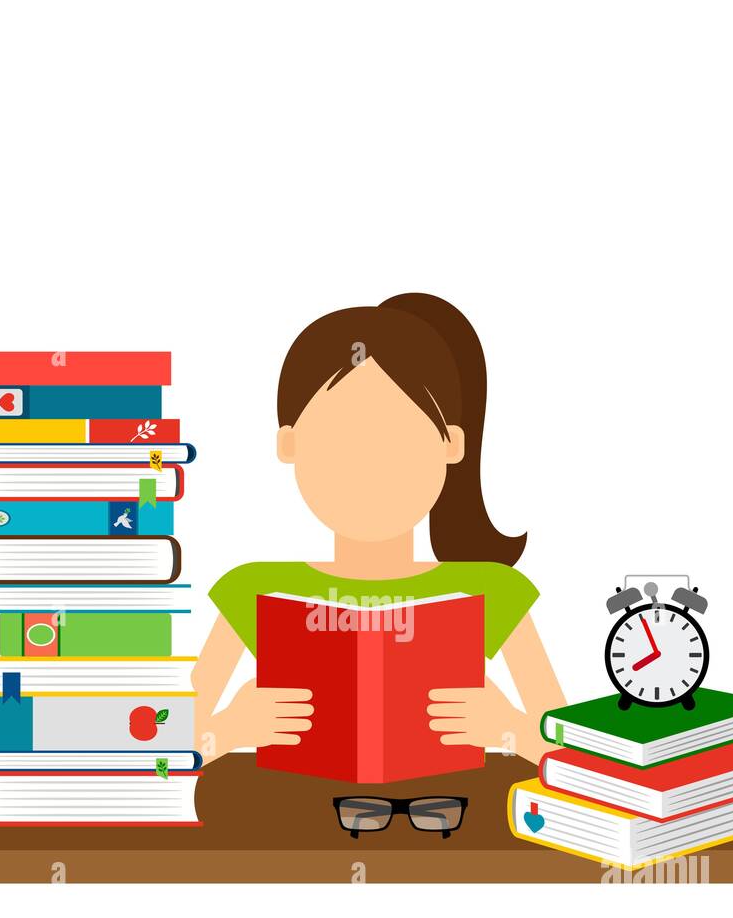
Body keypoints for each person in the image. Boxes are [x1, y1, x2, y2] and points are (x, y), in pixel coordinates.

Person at [194, 293, 565, 764]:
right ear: (289, 444)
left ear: (451, 444)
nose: (367, 470)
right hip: (288, 820)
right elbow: (155, 753)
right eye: (340, 444)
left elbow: (574, 760)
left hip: (446, 816)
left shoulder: (492, 590)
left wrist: (509, 729)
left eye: (395, 444)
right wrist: (227, 731)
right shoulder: (253, 589)